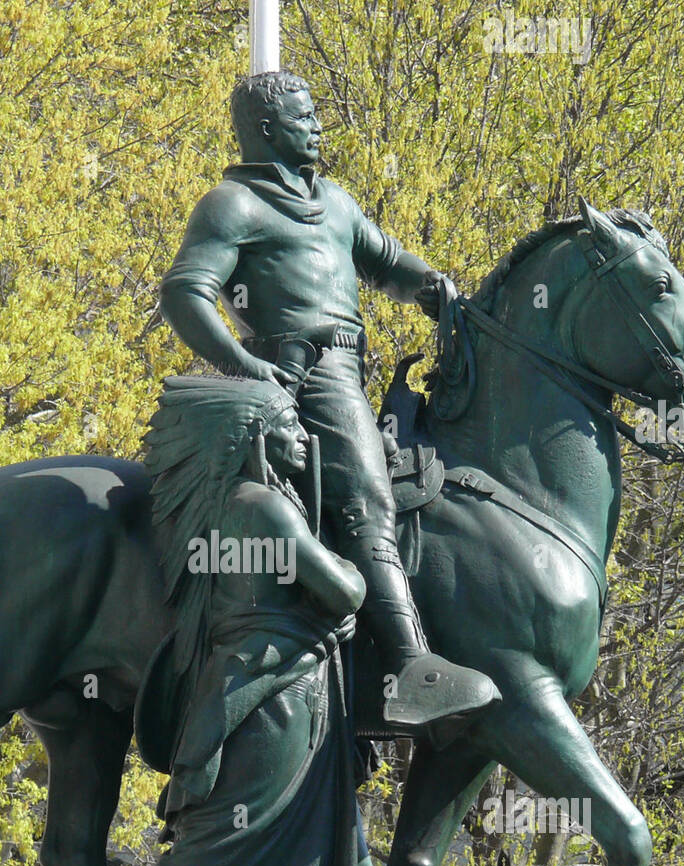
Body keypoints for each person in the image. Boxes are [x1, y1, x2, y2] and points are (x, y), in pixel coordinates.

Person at [158, 71, 499, 738]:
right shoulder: (233, 205)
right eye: (303, 116)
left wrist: (438, 291)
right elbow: (185, 291)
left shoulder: (336, 204)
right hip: (304, 372)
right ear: (263, 129)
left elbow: (388, 261)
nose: (317, 126)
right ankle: (410, 668)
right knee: (366, 494)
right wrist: (245, 362)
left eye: (316, 115)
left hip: (352, 365)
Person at [66, 376, 374, 866]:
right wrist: (350, 564)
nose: (304, 439)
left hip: (298, 690)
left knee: (313, 847)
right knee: (220, 849)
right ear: (257, 439)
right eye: (291, 428)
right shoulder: (261, 506)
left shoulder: (246, 505)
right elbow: (344, 588)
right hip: (270, 696)